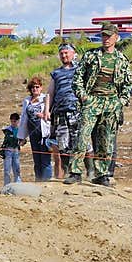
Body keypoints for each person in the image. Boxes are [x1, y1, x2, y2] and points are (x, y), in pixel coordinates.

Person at [63, 21, 132, 186]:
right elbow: (78, 78)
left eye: (109, 36)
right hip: (92, 100)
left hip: (111, 102)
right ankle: (75, 172)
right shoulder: (91, 55)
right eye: (103, 35)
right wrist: (83, 96)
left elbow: (128, 84)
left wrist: (121, 101)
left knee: (105, 140)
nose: (105, 39)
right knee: (82, 136)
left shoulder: (121, 60)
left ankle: (102, 173)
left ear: (116, 38)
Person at [43, 43, 80, 178]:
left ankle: (84, 172)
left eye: (66, 52)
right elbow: (50, 93)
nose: (64, 55)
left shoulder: (80, 69)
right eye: (61, 53)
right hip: (60, 113)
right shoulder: (56, 73)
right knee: (62, 145)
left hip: (77, 111)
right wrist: (47, 110)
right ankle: (68, 172)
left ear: (73, 53)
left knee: (80, 143)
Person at [18, 76, 52, 181]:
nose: (35, 89)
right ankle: (38, 180)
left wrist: (44, 115)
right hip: (33, 133)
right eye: (32, 87)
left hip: (44, 132)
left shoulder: (46, 99)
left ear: (41, 87)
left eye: (37, 87)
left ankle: (46, 181)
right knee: (36, 159)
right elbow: (24, 118)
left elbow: (52, 115)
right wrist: (22, 136)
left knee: (45, 159)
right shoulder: (27, 101)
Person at [0, 112, 22, 186]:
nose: (13, 123)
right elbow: (6, 140)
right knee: (7, 169)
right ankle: (7, 185)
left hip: (16, 150)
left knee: (17, 167)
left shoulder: (20, 130)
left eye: (14, 121)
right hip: (8, 150)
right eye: (11, 121)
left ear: (18, 121)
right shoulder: (7, 130)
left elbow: (23, 140)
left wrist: (22, 142)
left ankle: (18, 184)